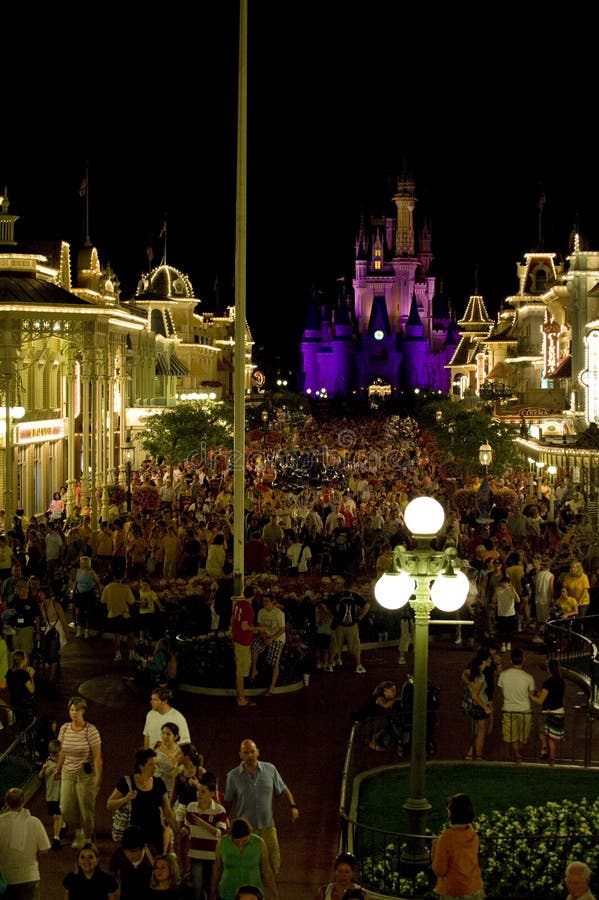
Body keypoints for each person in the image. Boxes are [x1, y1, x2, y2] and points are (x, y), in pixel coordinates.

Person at [224, 738, 298, 876]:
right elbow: (228, 802)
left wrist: (292, 806)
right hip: (246, 832)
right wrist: (223, 821)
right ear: (240, 754)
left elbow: (282, 789)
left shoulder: (270, 769)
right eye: (246, 753)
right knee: (247, 866)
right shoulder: (233, 776)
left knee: (273, 864)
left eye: (252, 752)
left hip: (268, 828)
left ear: (258, 752)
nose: (250, 756)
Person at [107, 747, 179, 858]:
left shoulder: (159, 783)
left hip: (155, 835)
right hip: (134, 836)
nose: (155, 767)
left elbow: (168, 812)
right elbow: (110, 805)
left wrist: (177, 832)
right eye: (151, 764)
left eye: (155, 764)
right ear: (141, 766)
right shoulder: (126, 782)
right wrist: (126, 799)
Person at [54, 695, 102, 849]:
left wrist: (98, 778)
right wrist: (58, 769)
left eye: (77, 710)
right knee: (66, 807)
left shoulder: (91, 730)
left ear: (83, 711)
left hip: (85, 774)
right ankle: (79, 828)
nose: (74, 713)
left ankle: (87, 838)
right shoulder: (64, 728)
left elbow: (96, 757)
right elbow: (62, 751)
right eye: (72, 710)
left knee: (86, 807)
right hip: (68, 772)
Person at [431, 792, 484, 900]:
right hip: (474, 890)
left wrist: (435, 849)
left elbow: (439, 870)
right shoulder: (473, 835)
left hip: (453, 891)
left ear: (451, 813)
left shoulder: (446, 838)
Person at [182, 774, 228, 899]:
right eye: (198, 791)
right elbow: (186, 828)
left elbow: (221, 833)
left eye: (203, 791)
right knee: (196, 888)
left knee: (213, 888)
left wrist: (202, 823)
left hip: (213, 857)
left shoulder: (219, 810)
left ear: (212, 794)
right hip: (196, 855)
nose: (199, 794)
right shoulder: (191, 807)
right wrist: (180, 834)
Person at [209, 817, 277, 900]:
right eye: (237, 841)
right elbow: (217, 869)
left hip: (252, 895)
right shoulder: (223, 842)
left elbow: (266, 870)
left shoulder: (259, 843)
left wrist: (274, 892)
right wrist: (212, 891)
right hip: (227, 892)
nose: (240, 844)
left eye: (244, 841)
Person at [0, 786, 50, 897]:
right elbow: (44, 850)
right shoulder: (35, 822)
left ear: (7, 802)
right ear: (23, 801)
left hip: (6, 878)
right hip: (29, 876)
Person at [497, 647, 536, 763]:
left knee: (512, 736)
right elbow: (531, 694)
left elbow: (502, 691)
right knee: (522, 736)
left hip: (508, 708)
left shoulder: (503, 675)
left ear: (511, 660)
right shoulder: (528, 677)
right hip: (524, 709)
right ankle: (519, 756)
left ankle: (517, 755)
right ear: (524, 660)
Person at [231, 585, 266, 707]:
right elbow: (244, 627)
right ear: (254, 596)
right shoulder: (248, 609)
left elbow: (234, 620)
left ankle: (240, 695)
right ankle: (241, 699)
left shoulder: (238, 604)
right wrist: (258, 628)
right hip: (243, 641)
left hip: (237, 639)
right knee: (241, 670)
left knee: (240, 669)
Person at [327, 578, 371, 673]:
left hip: (339, 624)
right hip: (352, 625)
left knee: (335, 645)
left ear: (343, 586)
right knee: (355, 645)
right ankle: (358, 666)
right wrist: (360, 617)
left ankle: (330, 665)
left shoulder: (338, 596)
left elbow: (324, 604)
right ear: (352, 586)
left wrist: (332, 616)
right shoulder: (354, 596)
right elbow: (367, 606)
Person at [529, 657, 566, 766]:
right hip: (559, 710)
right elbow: (548, 694)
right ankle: (544, 750)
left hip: (549, 712)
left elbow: (540, 701)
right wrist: (537, 692)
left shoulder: (548, 682)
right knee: (543, 733)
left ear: (548, 669)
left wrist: (530, 696)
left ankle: (552, 760)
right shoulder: (561, 681)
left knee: (550, 738)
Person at [249, 594, 286, 695]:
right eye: (263, 601)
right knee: (254, 647)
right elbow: (260, 626)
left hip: (277, 638)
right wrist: (265, 637)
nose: (265, 603)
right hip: (266, 636)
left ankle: (272, 686)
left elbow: (282, 629)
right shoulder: (261, 612)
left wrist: (271, 639)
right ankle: (254, 670)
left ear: (272, 602)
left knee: (274, 661)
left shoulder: (279, 613)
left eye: (267, 601)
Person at [461, 650, 493, 761]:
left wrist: (470, 683)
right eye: (489, 658)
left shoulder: (471, 671)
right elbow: (475, 695)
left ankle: (470, 754)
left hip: (469, 705)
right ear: (484, 661)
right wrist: (486, 707)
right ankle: (478, 755)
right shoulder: (480, 677)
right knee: (481, 732)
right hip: (478, 706)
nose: (491, 660)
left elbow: (463, 675)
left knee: (475, 731)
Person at [109, 824, 156, 900]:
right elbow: (111, 877)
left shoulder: (150, 851)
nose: (133, 852)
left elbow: (158, 872)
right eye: (130, 849)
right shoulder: (119, 853)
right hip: (126, 896)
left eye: (136, 849)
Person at [38, 737, 67, 851]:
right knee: (57, 816)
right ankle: (64, 826)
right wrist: (43, 770)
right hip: (51, 795)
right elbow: (40, 777)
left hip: (62, 794)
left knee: (57, 816)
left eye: (56, 754)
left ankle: (56, 839)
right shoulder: (47, 762)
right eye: (52, 754)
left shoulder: (64, 763)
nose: (54, 756)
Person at [100, 574, 136, 662]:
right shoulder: (126, 588)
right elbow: (131, 602)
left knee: (116, 635)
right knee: (130, 635)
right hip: (125, 614)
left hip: (113, 614)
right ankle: (131, 654)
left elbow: (103, 601)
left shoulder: (108, 587)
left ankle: (118, 654)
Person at [71, 556, 102, 639]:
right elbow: (76, 582)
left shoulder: (91, 572)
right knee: (78, 612)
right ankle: (79, 627)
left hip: (88, 594)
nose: (80, 563)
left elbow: (98, 583)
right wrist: (73, 591)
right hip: (79, 594)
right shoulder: (79, 571)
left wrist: (100, 593)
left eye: (81, 562)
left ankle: (86, 630)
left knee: (87, 613)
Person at [5, 649, 36, 730]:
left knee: (19, 721)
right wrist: (31, 676)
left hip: (14, 701)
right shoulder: (23, 674)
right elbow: (32, 690)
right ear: (23, 660)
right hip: (25, 703)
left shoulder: (9, 672)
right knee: (26, 723)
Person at [154, 722, 182, 796]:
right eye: (163, 733)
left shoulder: (179, 752)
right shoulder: (156, 746)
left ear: (175, 737)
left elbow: (180, 774)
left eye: (168, 734)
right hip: (156, 785)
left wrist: (173, 765)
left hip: (171, 788)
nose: (164, 736)